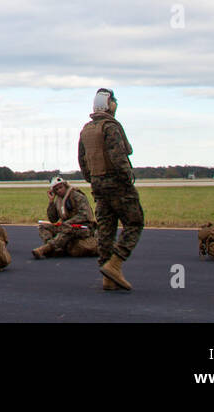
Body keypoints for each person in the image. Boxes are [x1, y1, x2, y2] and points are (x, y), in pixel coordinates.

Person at [77, 88, 144, 291]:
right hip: (117, 184)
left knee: (106, 229)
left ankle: (108, 278)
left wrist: (94, 179)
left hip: (98, 185)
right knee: (134, 222)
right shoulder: (110, 127)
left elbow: (82, 160)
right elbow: (118, 157)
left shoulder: (87, 129)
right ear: (110, 105)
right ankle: (115, 265)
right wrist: (127, 178)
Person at [32, 175, 97, 258]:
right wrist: (51, 202)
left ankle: (46, 249)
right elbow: (53, 219)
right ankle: (53, 247)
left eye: (60, 187)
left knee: (67, 228)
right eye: (56, 189)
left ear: (65, 185)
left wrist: (68, 222)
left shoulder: (77, 196)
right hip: (66, 226)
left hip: (83, 227)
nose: (59, 190)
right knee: (43, 227)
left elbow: (85, 215)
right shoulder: (58, 200)